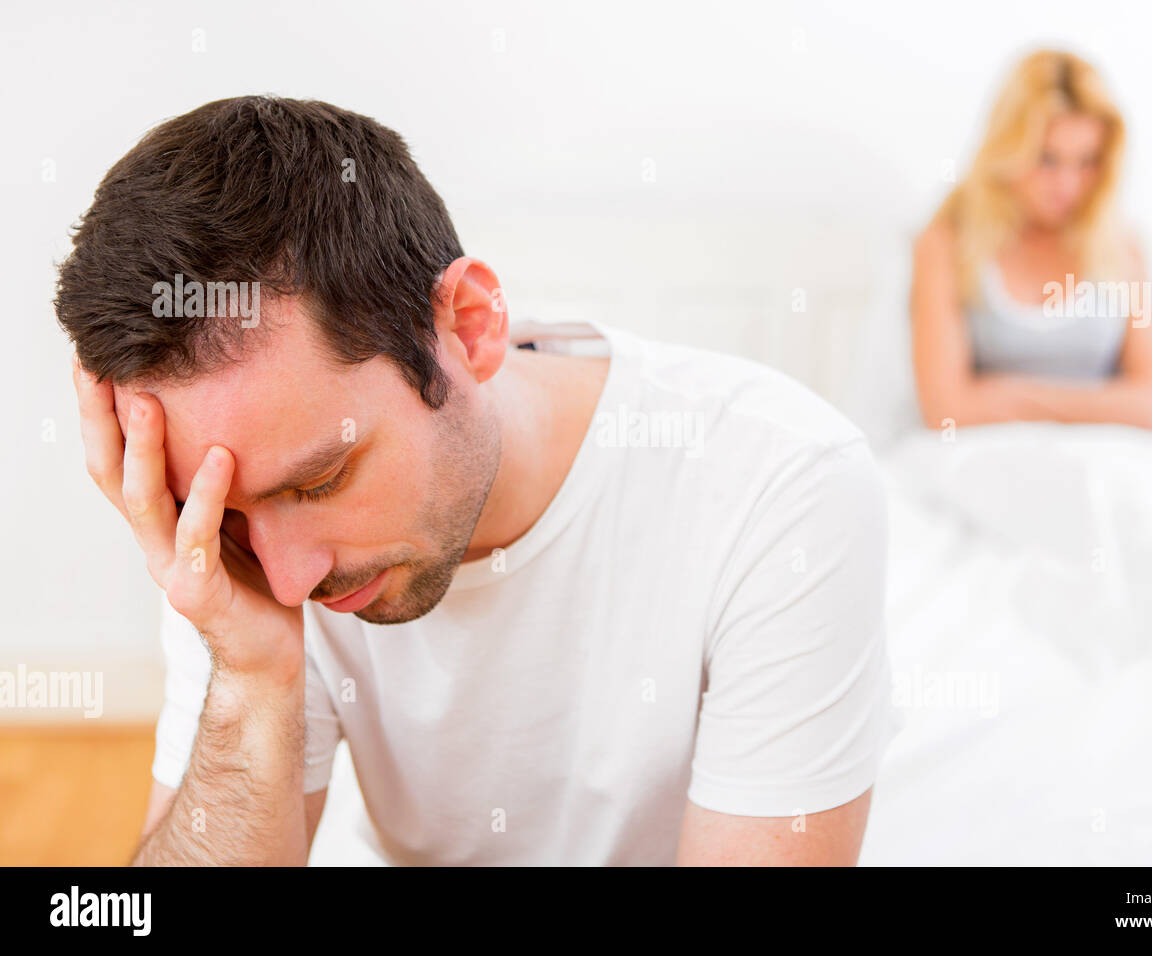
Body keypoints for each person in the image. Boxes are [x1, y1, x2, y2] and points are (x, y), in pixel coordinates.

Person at [57, 96, 898, 865]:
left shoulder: (781, 485)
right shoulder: (239, 552)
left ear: (470, 327)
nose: (286, 578)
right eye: (234, 518)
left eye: (320, 482)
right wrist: (249, 671)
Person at [910, 50, 1152, 430]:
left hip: (1100, 470)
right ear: (1008, 148)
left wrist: (1006, 396)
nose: (1067, 185)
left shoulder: (1125, 250)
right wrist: (1096, 405)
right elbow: (946, 412)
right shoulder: (946, 243)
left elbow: (1148, 406)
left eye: (1086, 161)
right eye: (1047, 159)